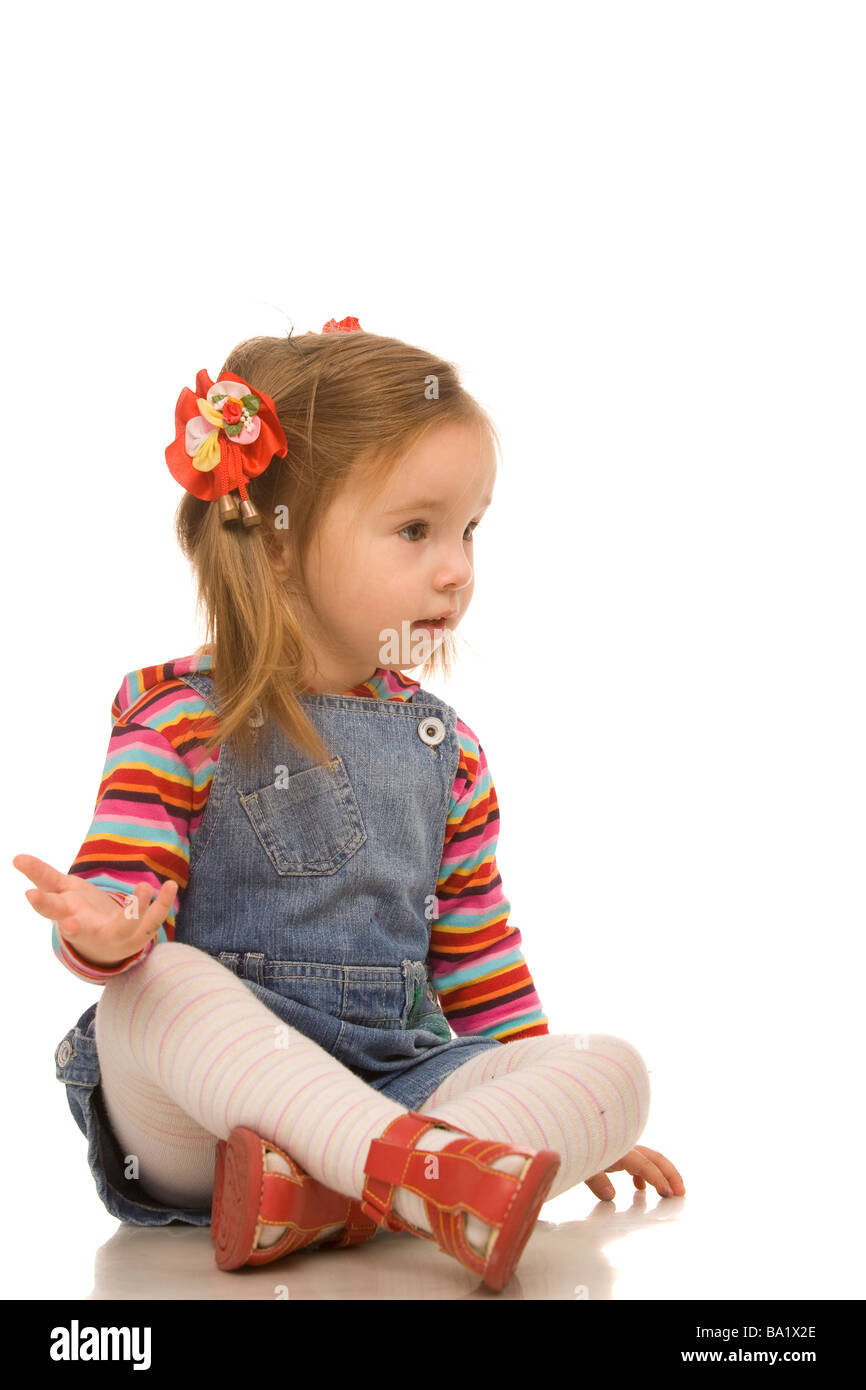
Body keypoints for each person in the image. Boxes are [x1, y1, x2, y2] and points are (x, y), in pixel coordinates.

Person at [14, 315, 684, 1293]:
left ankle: (324, 1193)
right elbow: (120, 891)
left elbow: (478, 954)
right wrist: (108, 933)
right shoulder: (179, 721)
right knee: (157, 988)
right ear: (276, 544)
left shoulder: (442, 752)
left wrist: (562, 1116)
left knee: (612, 1069)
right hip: (204, 1127)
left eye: (467, 530)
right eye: (414, 530)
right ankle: (406, 1173)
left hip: (387, 1079)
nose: (454, 566)